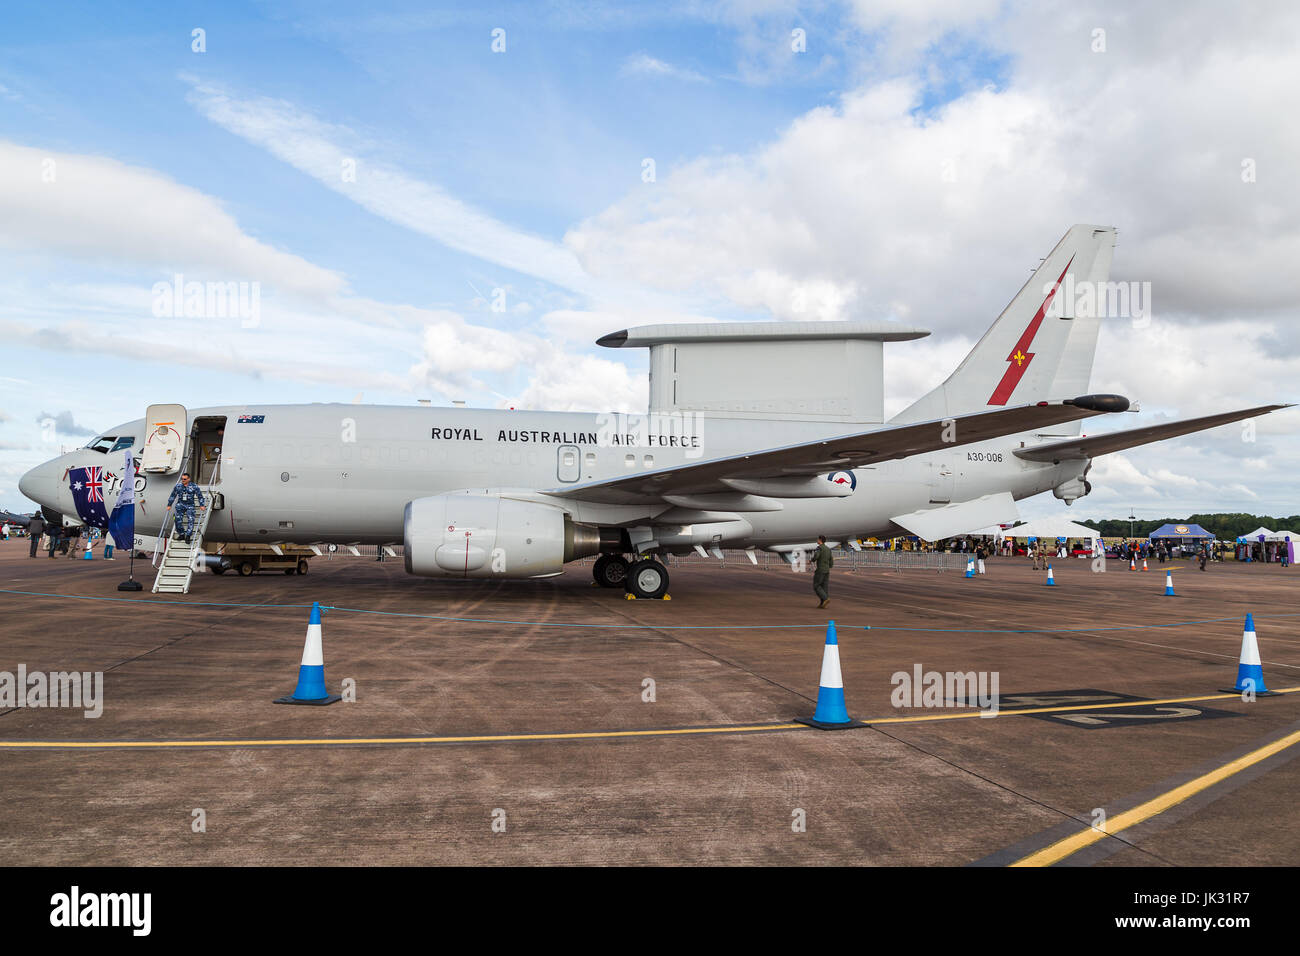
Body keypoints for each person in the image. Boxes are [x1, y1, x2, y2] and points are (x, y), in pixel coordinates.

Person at [167, 472, 207, 543]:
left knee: (191, 520)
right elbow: (173, 495)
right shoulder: (178, 486)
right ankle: (181, 534)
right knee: (177, 519)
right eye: (182, 479)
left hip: (190, 505)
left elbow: (200, 496)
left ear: (189, 479)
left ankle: (188, 536)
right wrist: (169, 504)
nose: (183, 480)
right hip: (180, 504)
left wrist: (202, 505)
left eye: (185, 479)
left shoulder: (194, 486)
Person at [811, 535, 833, 609]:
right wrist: (829, 566)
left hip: (820, 570)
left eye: (818, 539)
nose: (817, 540)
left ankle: (826, 598)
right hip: (826, 570)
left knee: (816, 585)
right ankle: (822, 603)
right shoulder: (828, 549)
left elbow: (816, 556)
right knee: (824, 587)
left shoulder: (819, 548)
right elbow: (831, 560)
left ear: (820, 540)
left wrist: (812, 560)